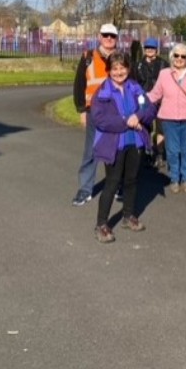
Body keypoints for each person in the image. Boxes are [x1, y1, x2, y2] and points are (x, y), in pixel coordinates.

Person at [90, 52, 157, 243]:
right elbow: (99, 119)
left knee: (132, 180)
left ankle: (128, 216)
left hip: (134, 142)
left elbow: (149, 109)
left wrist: (139, 116)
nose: (119, 72)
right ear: (109, 71)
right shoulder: (103, 92)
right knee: (112, 183)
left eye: (122, 68)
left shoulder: (135, 87)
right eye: (115, 68)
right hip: (114, 144)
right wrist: (125, 121)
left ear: (128, 69)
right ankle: (102, 224)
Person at [70, 22, 118, 206]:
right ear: (99, 36)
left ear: (116, 39)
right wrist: (81, 110)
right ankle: (85, 189)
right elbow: (79, 85)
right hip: (93, 111)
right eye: (105, 35)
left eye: (112, 36)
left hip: (116, 112)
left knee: (116, 151)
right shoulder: (88, 57)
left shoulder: (121, 58)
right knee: (90, 151)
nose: (108, 39)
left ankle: (115, 186)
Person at [147, 43, 186, 194]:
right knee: (172, 150)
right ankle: (174, 178)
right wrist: (141, 98)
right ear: (172, 57)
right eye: (176, 55)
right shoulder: (164, 74)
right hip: (168, 118)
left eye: (183, 56)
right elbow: (156, 94)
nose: (179, 59)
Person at [135, 37, 168, 167]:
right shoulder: (138, 65)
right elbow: (135, 83)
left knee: (161, 128)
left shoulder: (163, 64)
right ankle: (146, 152)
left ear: (157, 50)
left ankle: (159, 153)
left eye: (152, 48)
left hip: (161, 100)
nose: (150, 50)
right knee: (145, 127)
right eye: (147, 48)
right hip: (144, 100)